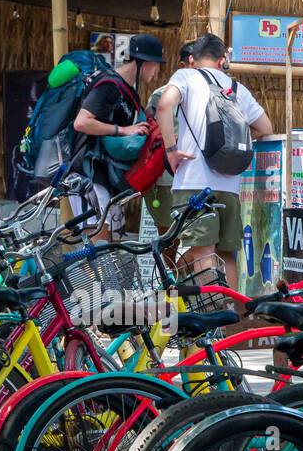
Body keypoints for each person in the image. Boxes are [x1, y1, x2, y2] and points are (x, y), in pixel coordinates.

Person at [155, 33, 272, 285]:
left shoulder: (185, 76)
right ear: (222, 61)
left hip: (194, 182)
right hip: (229, 185)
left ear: (193, 59)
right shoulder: (237, 89)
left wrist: (171, 150)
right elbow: (265, 127)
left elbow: (164, 106)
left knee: (203, 253)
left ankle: (212, 322)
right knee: (226, 254)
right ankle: (228, 315)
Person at [70, 33, 165, 240]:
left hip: (104, 177)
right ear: (145, 62)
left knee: (111, 248)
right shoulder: (109, 85)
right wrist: (122, 130)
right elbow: (82, 122)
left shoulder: (128, 91)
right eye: (156, 65)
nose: (157, 72)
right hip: (88, 174)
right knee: (97, 249)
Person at [143, 40, 195, 239]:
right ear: (183, 66)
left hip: (197, 177)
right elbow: (152, 133)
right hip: (166, 179)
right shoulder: (161, 96)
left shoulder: (211, 95)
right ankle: (171, 270)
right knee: (169, 238)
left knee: (199, 239)